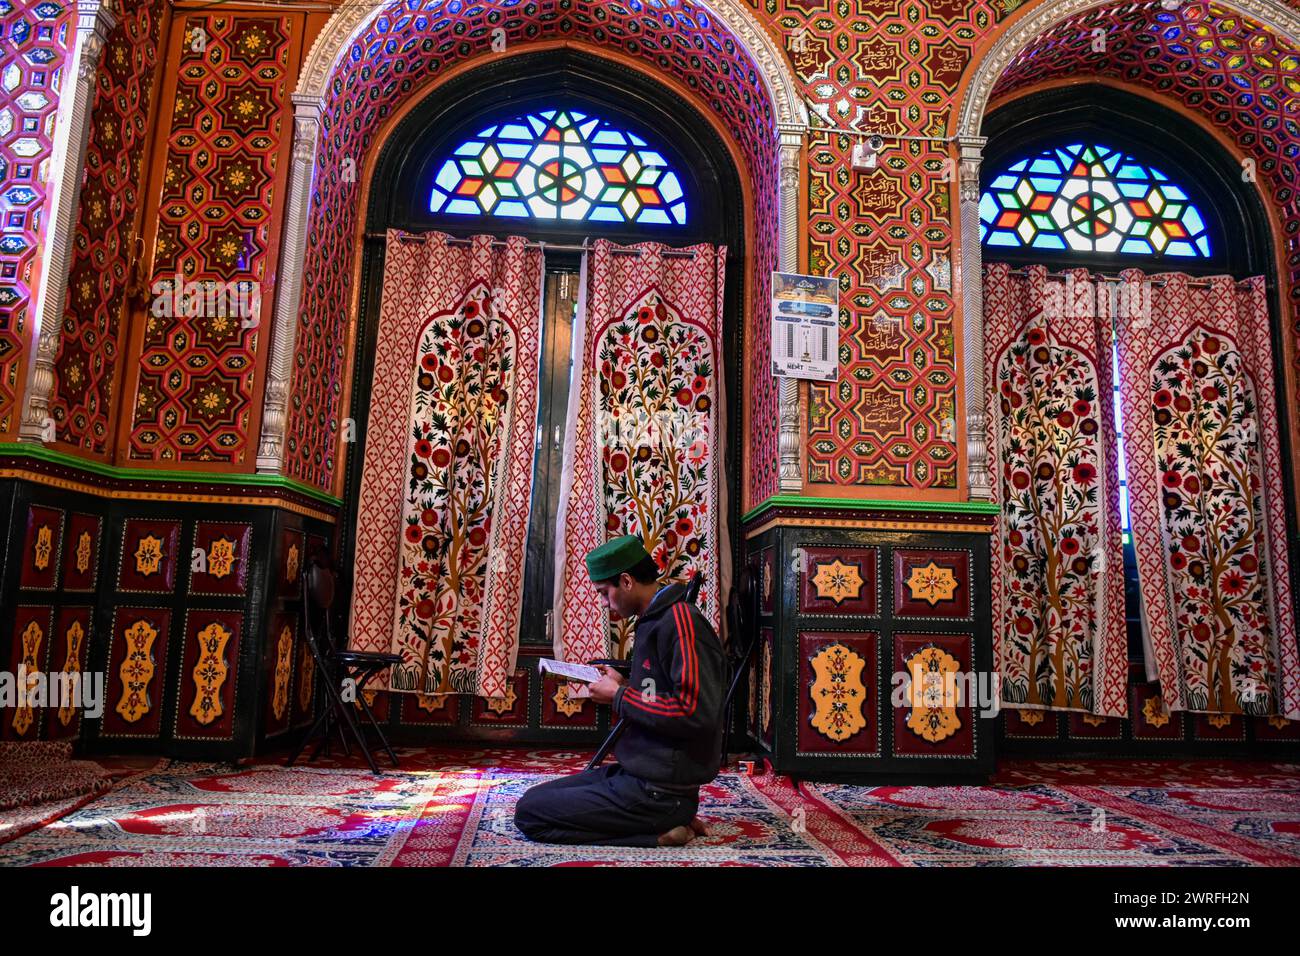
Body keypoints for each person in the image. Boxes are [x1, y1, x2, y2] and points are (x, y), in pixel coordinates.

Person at [513, 535, 725, 847]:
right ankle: (668, 819)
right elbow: (657, 695)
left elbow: (695, 712)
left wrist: (618, 695)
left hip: (658, 790)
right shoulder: (654, 621)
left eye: (604, 592)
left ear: (625, 581)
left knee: (530, 815)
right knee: (536, 798)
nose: (603, 602)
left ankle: (657, 832)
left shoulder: (682, 623)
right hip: (636, 774)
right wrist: (624, 684)